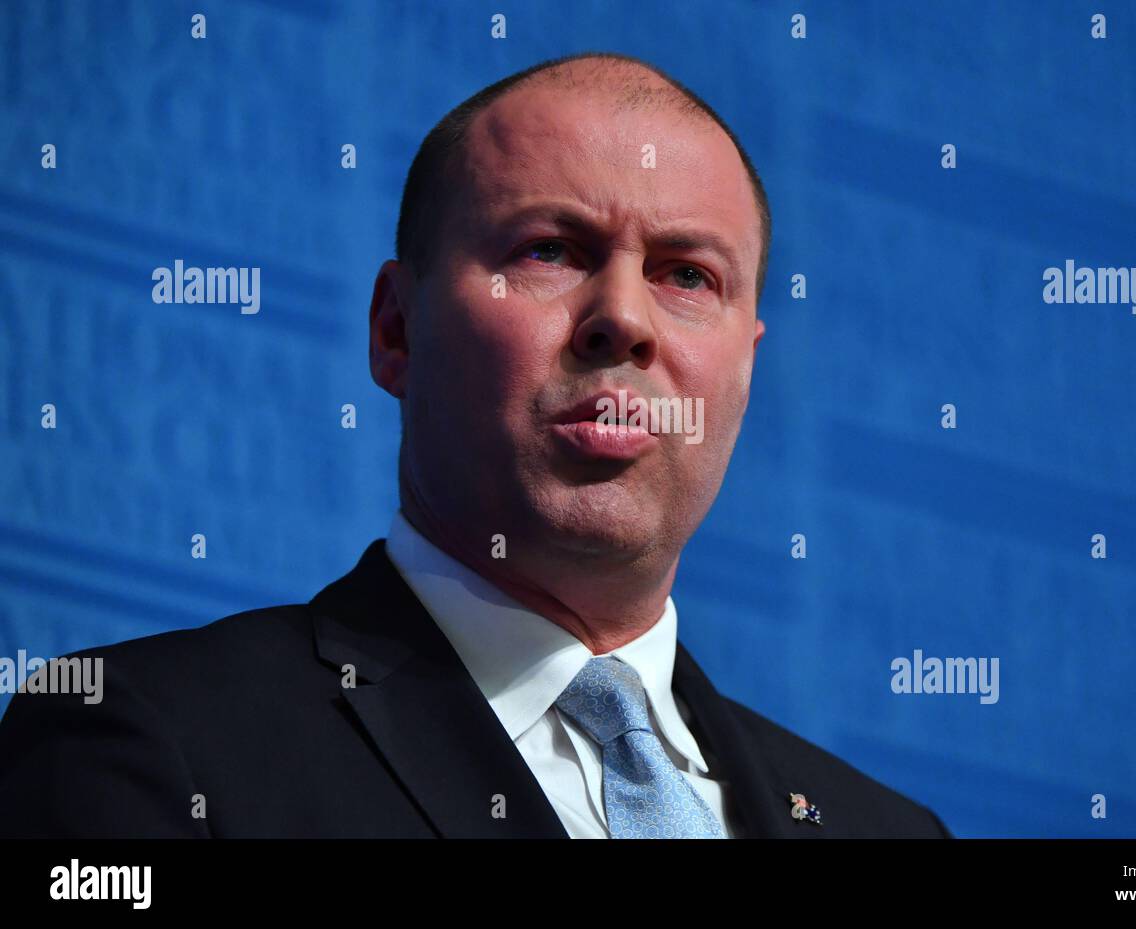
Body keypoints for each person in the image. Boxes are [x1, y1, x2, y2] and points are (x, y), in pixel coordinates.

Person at [0, 51, 951, 839]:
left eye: (686, 275)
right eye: (550, 250)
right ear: (396, 331)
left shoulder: (894, 833)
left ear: (745, 366)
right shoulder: (150, 743)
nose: (622, 319)